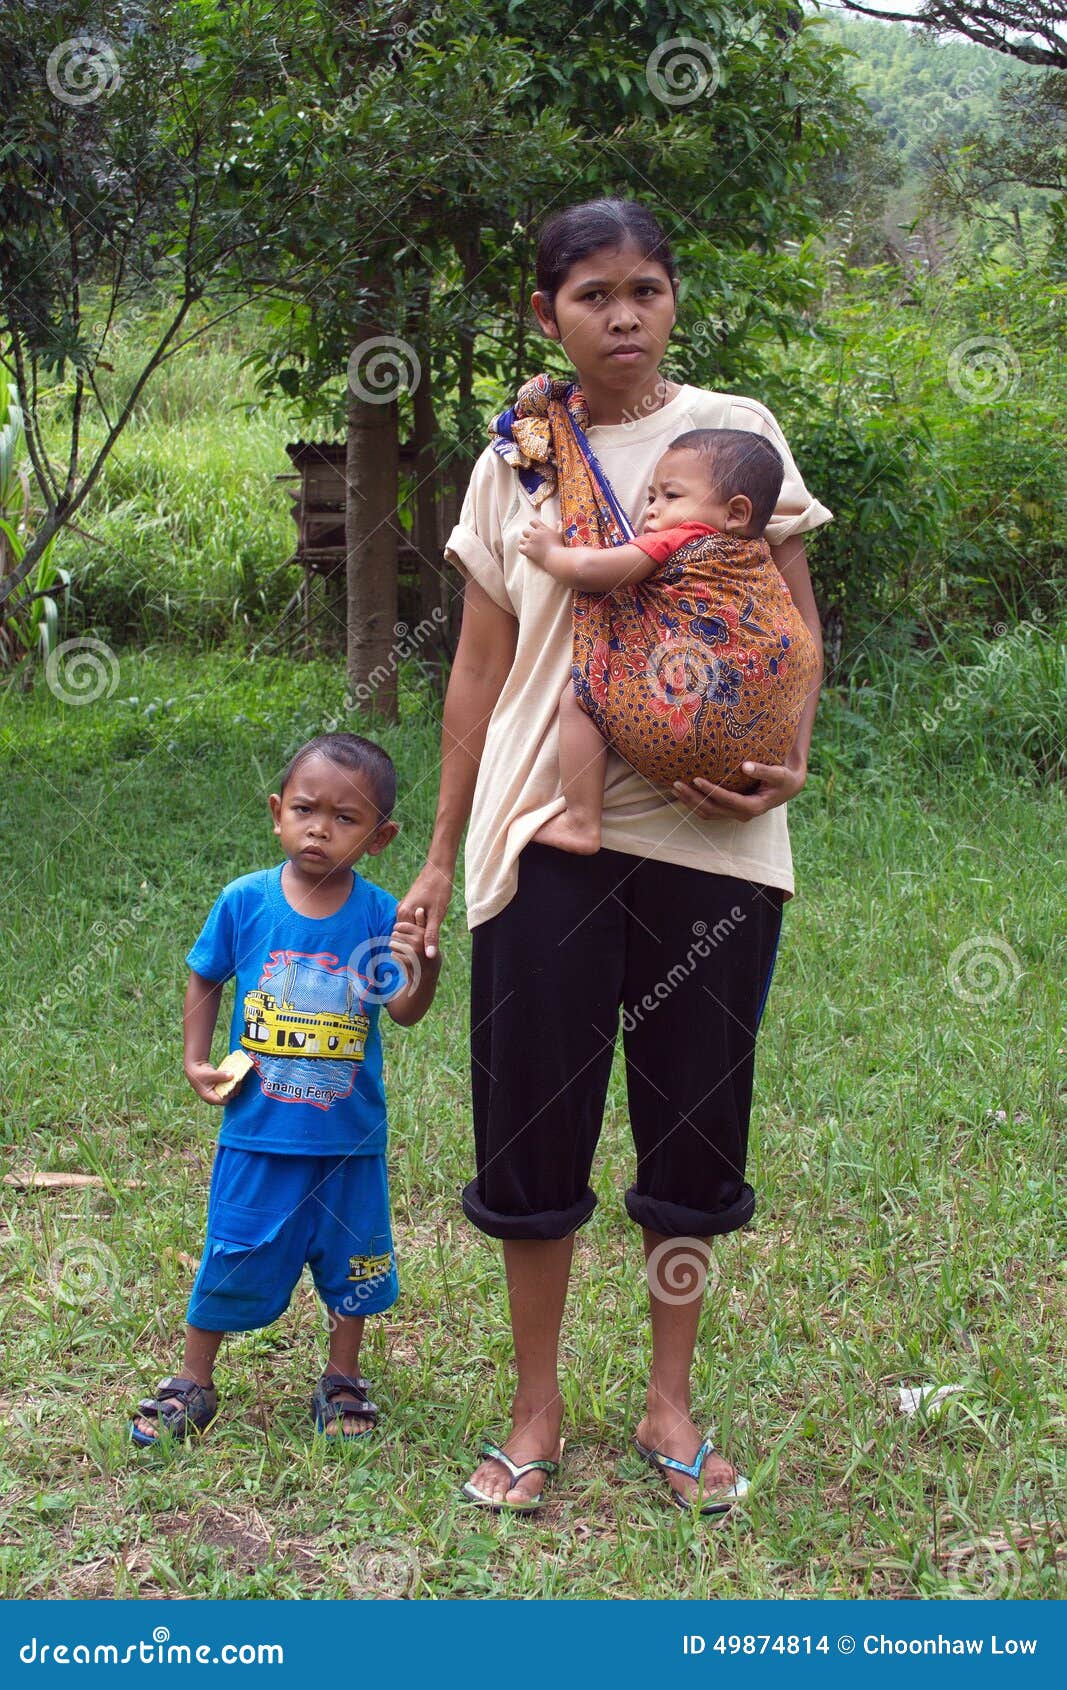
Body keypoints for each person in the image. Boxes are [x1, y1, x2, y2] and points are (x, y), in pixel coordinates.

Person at [399, 197, 831, 1514]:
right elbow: (477, 671)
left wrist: (792, 751)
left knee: (691, 1132)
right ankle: (533, 1409)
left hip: (713, 831)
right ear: (546, 315)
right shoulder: (515, 462)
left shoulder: (734, 432)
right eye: (593, 295)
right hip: (544, 826)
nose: (624, 315)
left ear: (672, 296)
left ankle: (668, 1403)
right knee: (531, 1131)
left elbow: (794, 622)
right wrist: (435, 856)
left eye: (645, 287)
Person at [130, 732, 440, 1447]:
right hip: (256, 1133)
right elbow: (206, 974)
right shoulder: (245, 901)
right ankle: (194, 1380)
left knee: (353, 1262)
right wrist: (194, 1057)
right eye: (305, 809)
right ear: (277, 813)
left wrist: (425, 964)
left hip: (348, 1140)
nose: (319, 829)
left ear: (380, 837)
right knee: (230, 1251)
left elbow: (404, 1011)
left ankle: (342, 1377)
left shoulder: (380, 915)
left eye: (345, 818)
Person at [517, 426, 820, 854]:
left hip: (672, 729)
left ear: (735, 512)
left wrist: (549, 551)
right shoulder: (759, 559)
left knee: (579, 696)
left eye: (670, 496)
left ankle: (581, 822)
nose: (652, 511)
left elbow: (591, 571)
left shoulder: (683, 537)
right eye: (651, 497)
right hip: (755, 760)